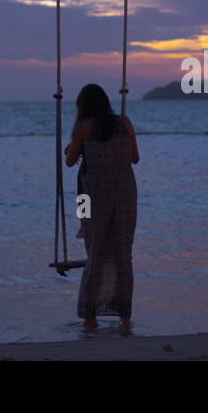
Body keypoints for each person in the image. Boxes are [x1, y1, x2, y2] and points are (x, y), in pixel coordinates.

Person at [65, 84, 139, 330]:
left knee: (95, 252)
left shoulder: (85, 127)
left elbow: (69, 161)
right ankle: (124, 315)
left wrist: (82, 146)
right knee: (123, 253)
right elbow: (135, 158)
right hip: (126, 192)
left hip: (95, 194)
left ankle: (90, 316)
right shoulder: (124, 122)